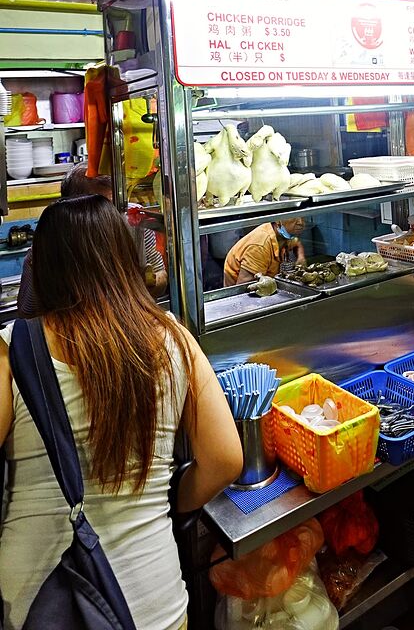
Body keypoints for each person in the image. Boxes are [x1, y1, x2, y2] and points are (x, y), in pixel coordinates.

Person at [0, 195, 243, 630]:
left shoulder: (11, 350)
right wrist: (168, 499)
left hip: (45, 604)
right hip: (153, 602)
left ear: (44, 267)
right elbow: (225, 460)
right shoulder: (174, 339)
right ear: (122, 257)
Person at [17, 162, 167, 317]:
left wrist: (146, 282)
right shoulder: (52, 242)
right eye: (100, 209)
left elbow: (159, 276)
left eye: (115, 205)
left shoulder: (133, 219)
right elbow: (28, 311)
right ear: (71, 208)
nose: (112, 215)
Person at [223, 218, 306, 285]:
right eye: (294, 217)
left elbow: (297, 243)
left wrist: (301, 257)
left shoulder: (283, 235)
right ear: (278, 220)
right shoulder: (260, 247)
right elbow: (245, 289)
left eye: (303, 217)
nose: (301, 222)